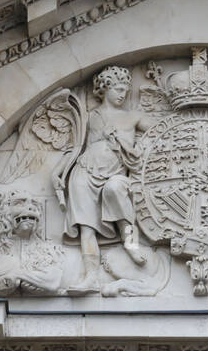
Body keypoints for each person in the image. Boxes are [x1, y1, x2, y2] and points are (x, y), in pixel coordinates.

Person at [61, 66, 149, 295]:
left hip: (117, 173)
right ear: (105, 88)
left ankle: (130, 243)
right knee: (86, 228)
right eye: (119, 89)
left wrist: (133, 147)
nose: (123, 94)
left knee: (114, 189)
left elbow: (161, 135)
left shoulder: (133, 117)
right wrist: (58, 173)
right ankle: (90, 276)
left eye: (126, 90)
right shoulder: (91, 117)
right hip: (84, 172)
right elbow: (74, 149)